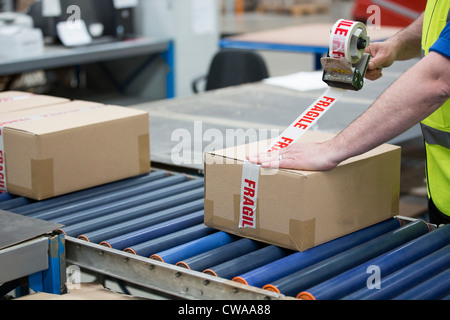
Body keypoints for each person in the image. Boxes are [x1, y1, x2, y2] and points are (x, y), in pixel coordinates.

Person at [248, 0, 450, 225]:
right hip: (442, 191)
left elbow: (438, 79)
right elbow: (439, 18)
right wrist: (396, 45)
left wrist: (331, 150)